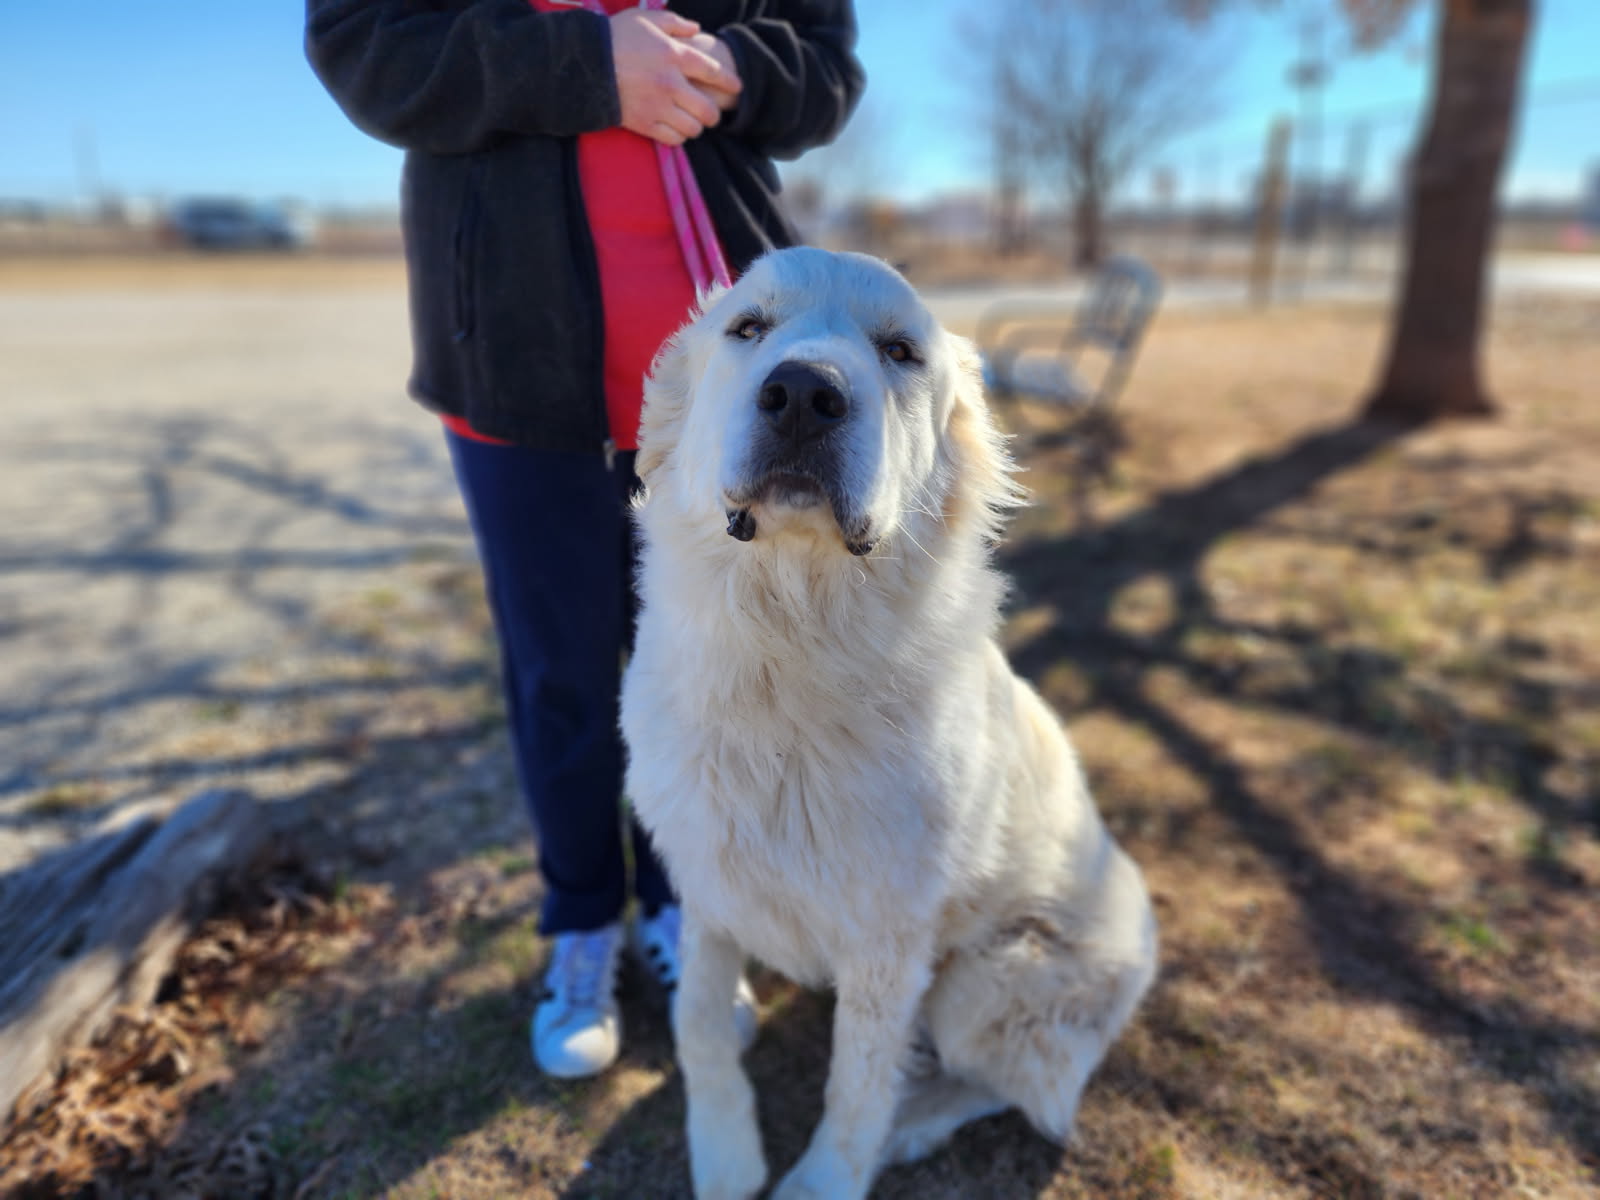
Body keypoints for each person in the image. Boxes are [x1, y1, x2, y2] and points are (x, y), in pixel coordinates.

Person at [304, 0, 864, 1078]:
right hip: (511, 375)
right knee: (560, 673)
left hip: (726, 386)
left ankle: (689, 910)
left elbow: (828, 73)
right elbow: (364, 46)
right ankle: (580, 927)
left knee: (709, 677)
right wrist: (586, 65)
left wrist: (730, 67)